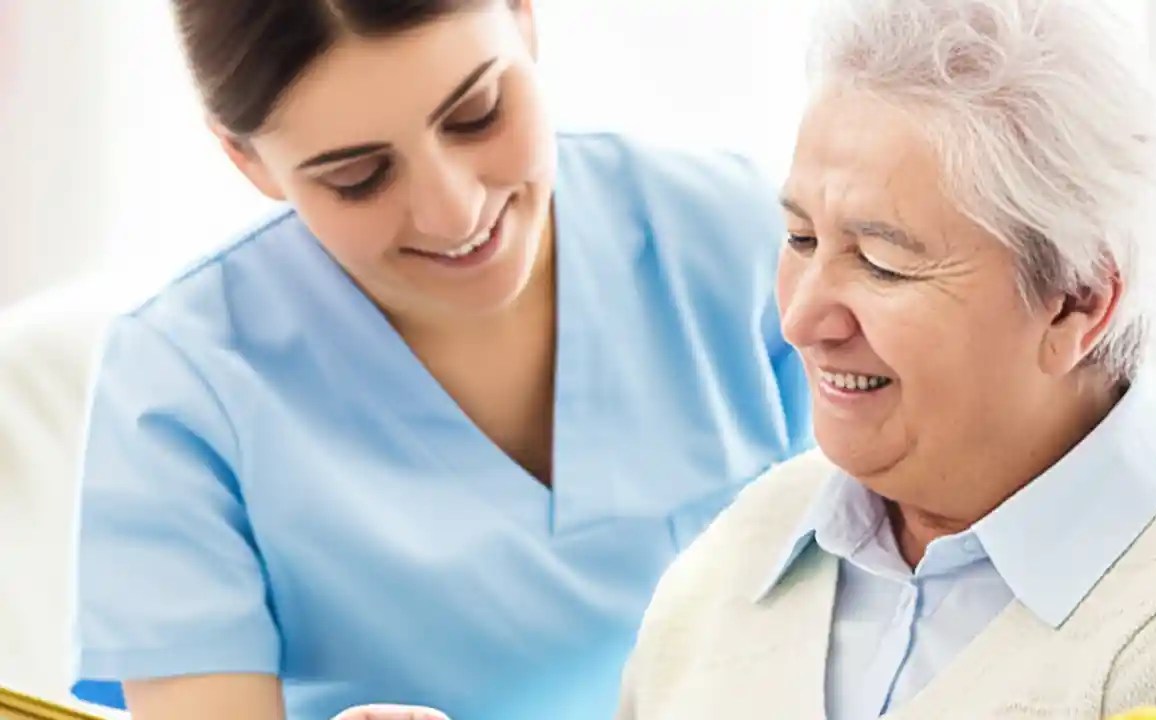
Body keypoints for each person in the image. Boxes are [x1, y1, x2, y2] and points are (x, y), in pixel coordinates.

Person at [71, 2, 811, 719]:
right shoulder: (179, 392)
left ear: (524, 17)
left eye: (478, 113)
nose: (453, 212)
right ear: (248, 160)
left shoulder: (739, 239)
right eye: (358, 177)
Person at [609, 0, 1156, 718]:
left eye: (882, 264)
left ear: (1076, 300)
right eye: (801, 240)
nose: (801, 319)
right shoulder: (740, 553)